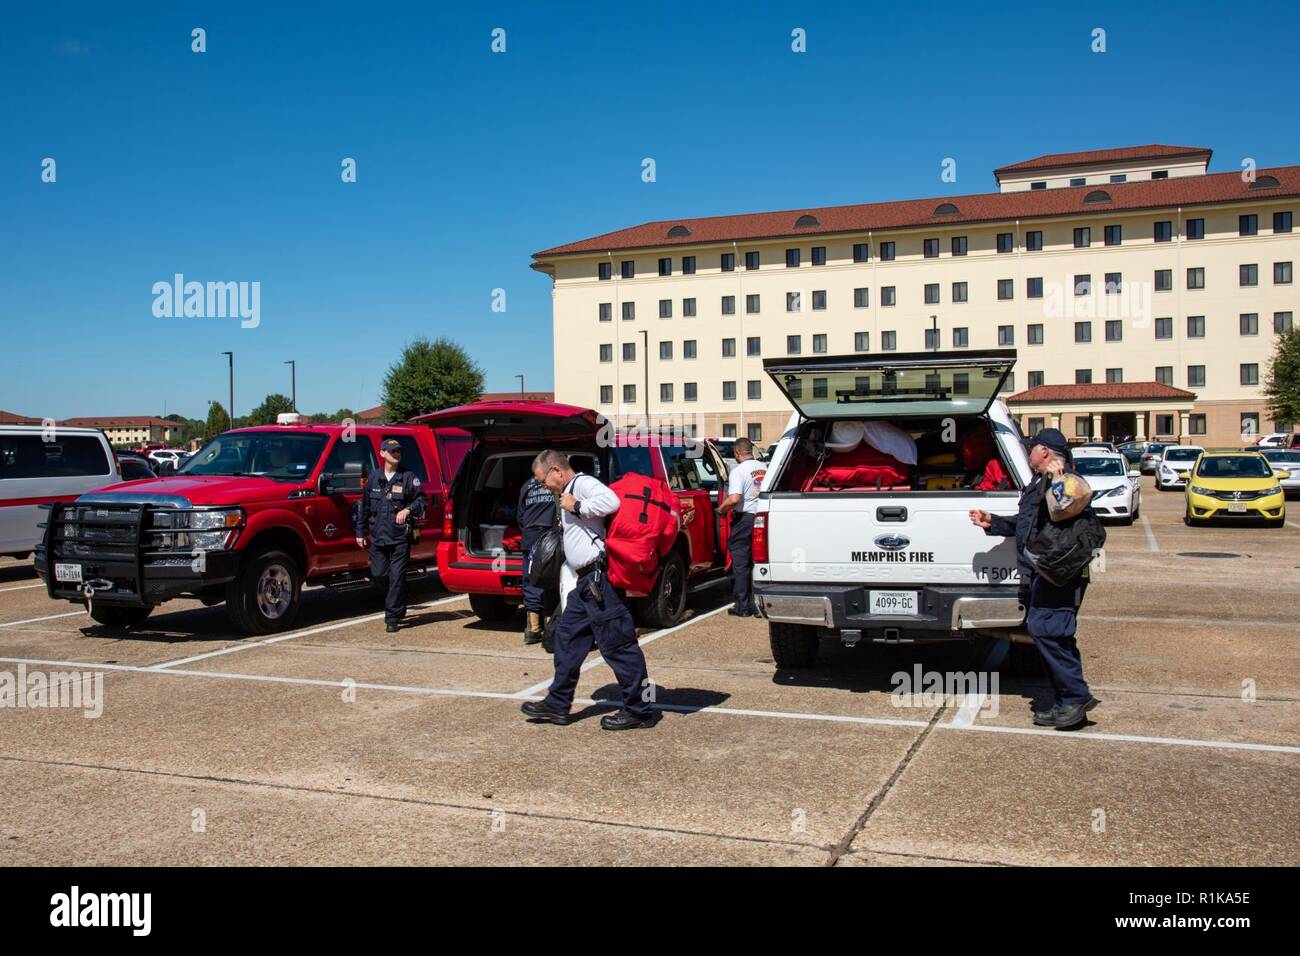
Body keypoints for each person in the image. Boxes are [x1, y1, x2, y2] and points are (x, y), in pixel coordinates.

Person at [969, 428, 1100, 729]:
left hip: (1060, 573)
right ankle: (1065, 700)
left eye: (1032, 447)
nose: (1028, 453)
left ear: (1045, 451)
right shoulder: (1039, 482)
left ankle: (1075, 699)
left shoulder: (1068, 482)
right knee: (1050, 633)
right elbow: (1029, 524)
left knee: (1049, 630)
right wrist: (995, 522)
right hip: (1045, 571)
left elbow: (1067, 512)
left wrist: (1059, 480)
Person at [520, 449, 659, 731]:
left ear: (557, 470)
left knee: (619, 646)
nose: (543, 486)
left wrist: (577, 506)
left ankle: (640, 710)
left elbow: (611, 501)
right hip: (585, 584)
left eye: (543, 480)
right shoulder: (568, 491)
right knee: (566, 639)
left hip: (600, 581)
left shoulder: (581, 484)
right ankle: (557, 704)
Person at [354, 438, 425, 633]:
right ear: (382, 453)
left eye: (399, 452)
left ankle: (392, 617)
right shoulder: (373, 478)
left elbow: (421, 500)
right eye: (392, 451)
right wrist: (360, 532)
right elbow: (364, 507)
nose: (397, 454)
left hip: (400, 537)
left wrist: (408, 510)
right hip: (378, 537)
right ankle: (399, 599)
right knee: (379, 575)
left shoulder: (408, 477)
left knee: (396, 576)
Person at [717, 437, 766, 617]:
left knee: (741, 562)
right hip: (762, 518)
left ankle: (743, 606)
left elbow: (735, 498)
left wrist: (721, 509)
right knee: (758, 561)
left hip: (745, 519)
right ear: (750, 450)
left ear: (737, 453)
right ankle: (759, 606)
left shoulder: (739, 471)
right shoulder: (765, 468)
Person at [517, 473, 558, 645]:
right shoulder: (556, 484)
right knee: (551, 582)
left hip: (529, 538)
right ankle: (551, 630)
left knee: (531, 582)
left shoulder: (526, 485)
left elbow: (520, 517)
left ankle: (532, 630)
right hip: (550, 539)